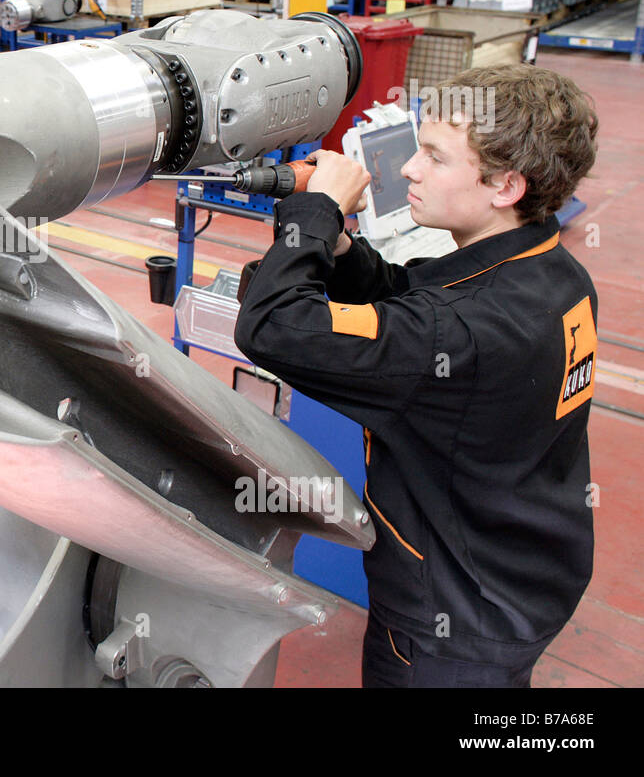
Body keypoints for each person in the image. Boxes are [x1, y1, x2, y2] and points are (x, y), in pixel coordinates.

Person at [233, 64, 599, 687]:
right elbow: (408, 293)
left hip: (448, 622)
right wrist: (341, 248)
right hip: (525, 573)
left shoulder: (461, 334)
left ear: (506, 185)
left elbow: (271, 327)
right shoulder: (552, 272)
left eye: (434, 157)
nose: (408, 169)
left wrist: (314, 213)